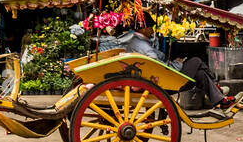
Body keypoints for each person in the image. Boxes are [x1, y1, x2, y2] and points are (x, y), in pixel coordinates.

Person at [97, 25, 235, 109]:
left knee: (200, 74)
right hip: (164, 83)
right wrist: (178, 63)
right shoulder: (144, 47)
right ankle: (217, 88)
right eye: (150, 27)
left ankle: (219, 99)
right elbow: (160, 69)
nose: (152, 30)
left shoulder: (135, 42)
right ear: (143, 28)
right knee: (196, 61)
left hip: (150, 78)